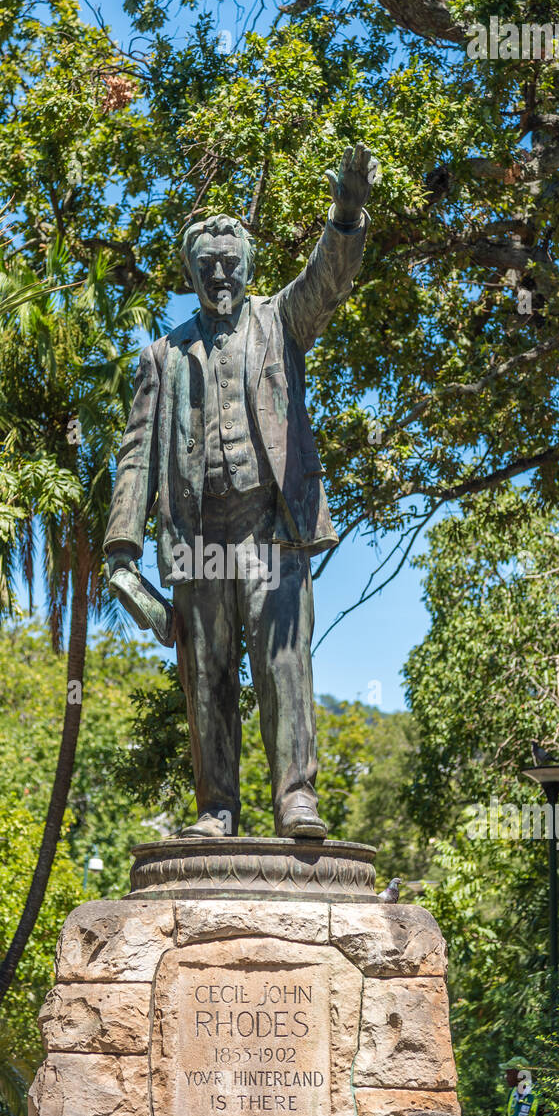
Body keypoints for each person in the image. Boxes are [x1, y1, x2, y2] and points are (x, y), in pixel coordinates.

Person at [104, 144, 378, 840]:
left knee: (283, 662)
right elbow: (135, 453)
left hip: (268, 527)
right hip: (197, 537)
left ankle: (296, 799)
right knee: (206, 677)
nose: (219, 276)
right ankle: (215, 808)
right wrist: (120, 552)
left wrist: (345, 213)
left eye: (230, 265)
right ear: (190, 273)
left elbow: (327, 280)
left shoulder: (279, 322)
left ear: (247, 268)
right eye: (206, 268)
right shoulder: (162, 357)